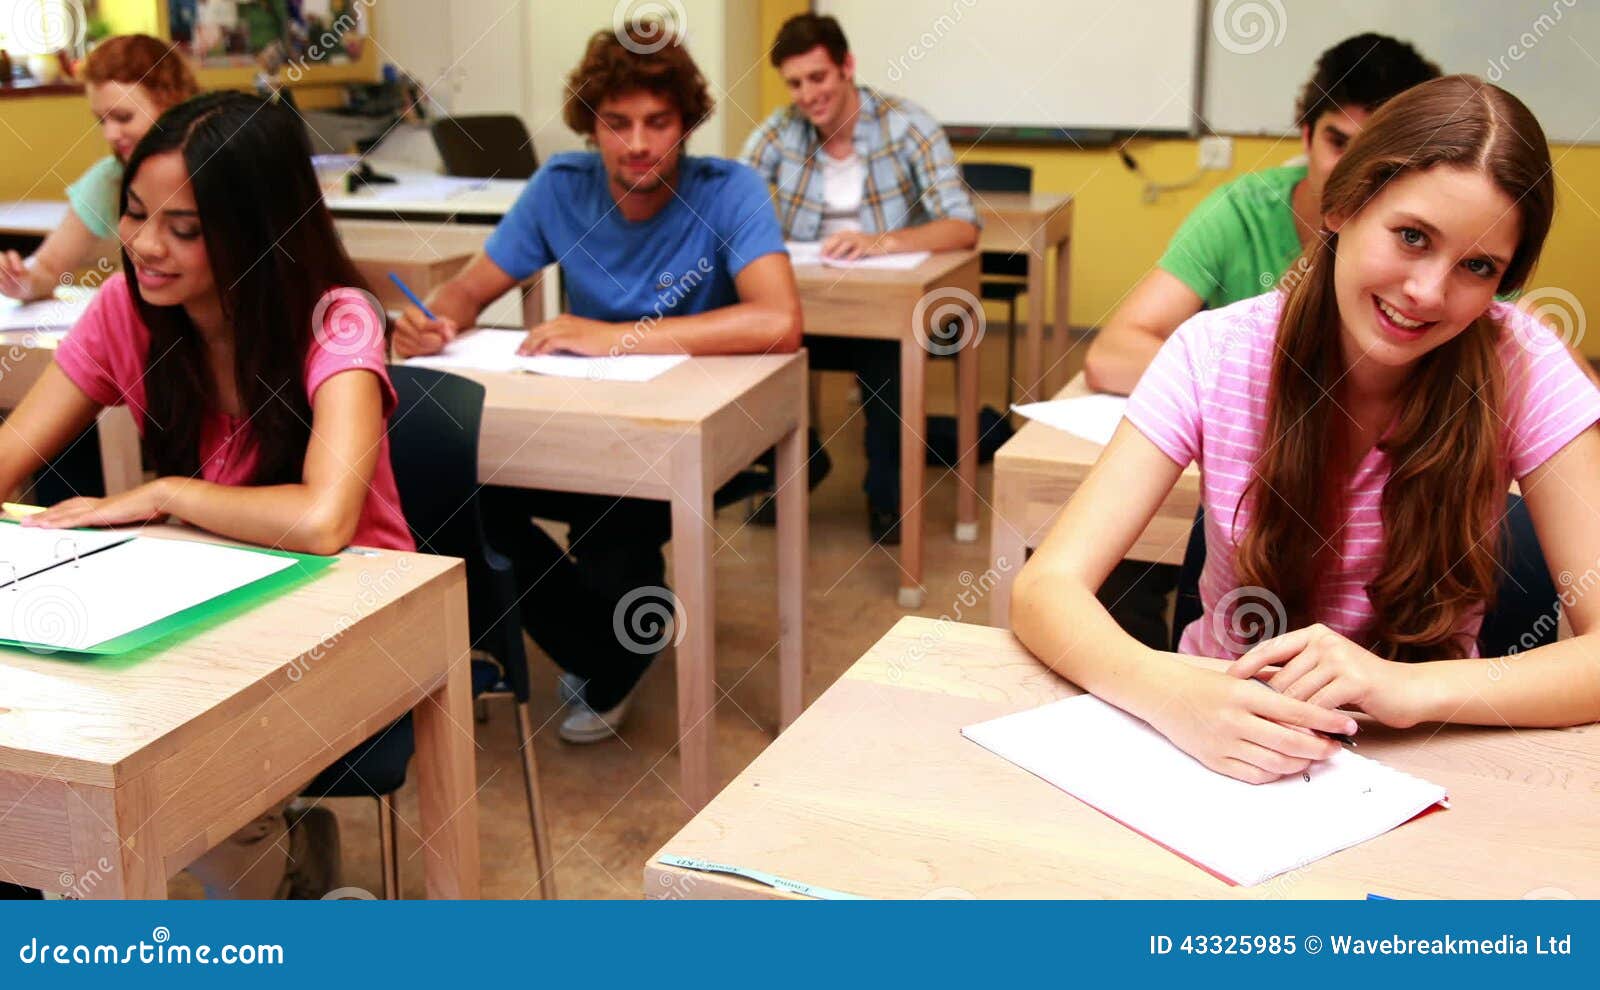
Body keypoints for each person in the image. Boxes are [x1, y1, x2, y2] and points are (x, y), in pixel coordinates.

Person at [1011, 76, 1600, 784]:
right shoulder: (1215, 353)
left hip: (1428, 757)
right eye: (1412, 237)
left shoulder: (1524, 365)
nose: (1429, 292)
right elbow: (1045, 589)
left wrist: (1406, 688)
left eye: (1477, 267)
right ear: (1343, 206)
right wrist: (1167, 690)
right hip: (1219, 743)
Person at [0, 91, 413, 896]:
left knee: (171, 773)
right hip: (198, 605)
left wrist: (168, 494)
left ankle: (261, 873)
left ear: (259, 230)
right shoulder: (128, 308)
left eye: (185, 230)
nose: (147, 247)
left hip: (352, 622)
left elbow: (324, 520)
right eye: (134, 215)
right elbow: (12, 450)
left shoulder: (339, 321)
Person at [393, 25, 799, 743]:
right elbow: (472, 286)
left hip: (673, 438)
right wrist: (439, 319)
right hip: (573, 423)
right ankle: (615, 644)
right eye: (616, 124)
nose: (637, 144)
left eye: (658, 123)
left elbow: (778, 319)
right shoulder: (559, 187)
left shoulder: (729, 189)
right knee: (446, 486)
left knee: (617, 533)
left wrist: (618, 339)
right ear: (591, 125)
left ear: (687, 124)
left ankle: (617, 636)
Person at [1081, 33, 1443, 648]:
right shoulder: (1241, 214)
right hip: (1244, 508)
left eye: (1385, 159)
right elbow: (1111, 352)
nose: (1354, 173)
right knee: (1120, 568)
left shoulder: (1443, 267)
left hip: (1400, 523)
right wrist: (1238, 386)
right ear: (1305, 136)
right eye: (1337, 142)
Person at [740, 12, 981, 543]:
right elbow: (732, 211)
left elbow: (963, 226)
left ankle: (887, 495)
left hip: (886, 308)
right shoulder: (778, 134)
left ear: (847, 67)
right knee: (750, 341)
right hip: (807, 305)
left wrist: (881, 242)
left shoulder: (907, 124)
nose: (808, 95)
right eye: (796, 83)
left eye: (819, 77)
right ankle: (801, 465)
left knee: (885, 355)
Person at [0, 34, 199, 302]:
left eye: (123, 117)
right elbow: (49, 266)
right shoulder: (109, 179)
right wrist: (22, 281)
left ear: (171, 101)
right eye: (102, 121)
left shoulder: (216, 167)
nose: (110, 134)